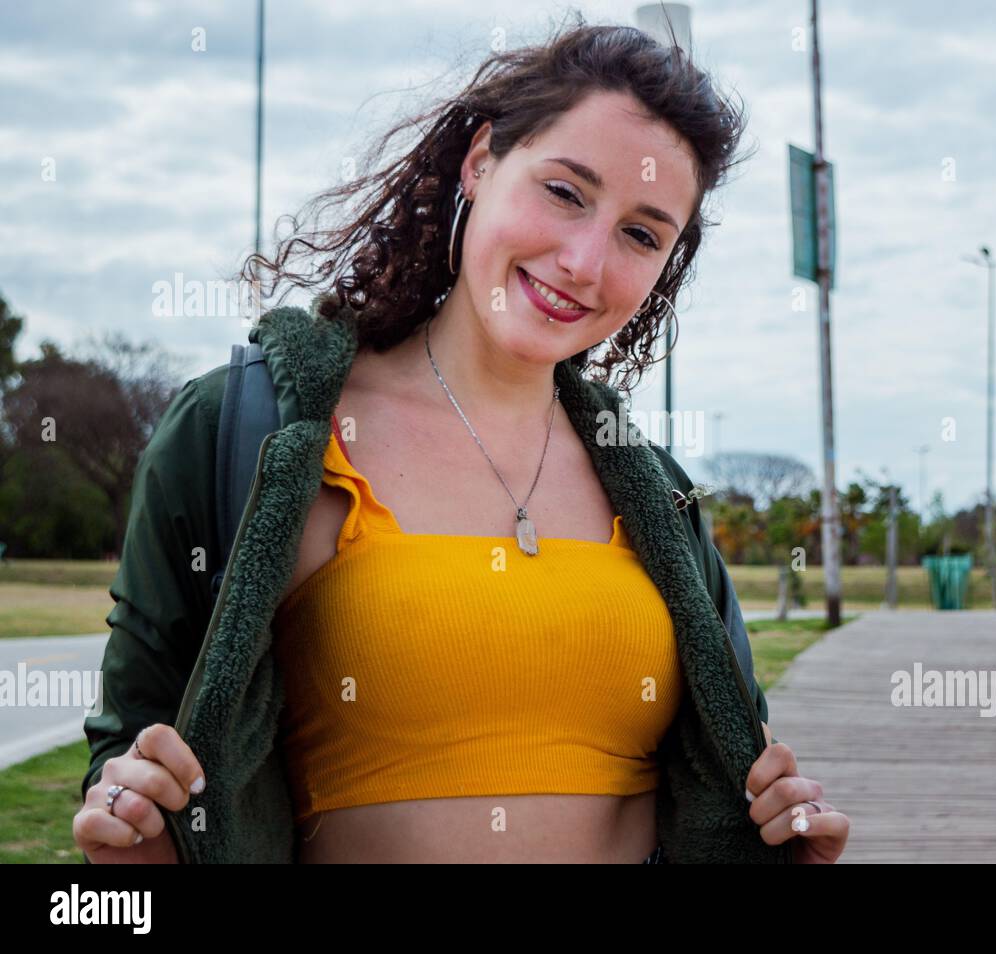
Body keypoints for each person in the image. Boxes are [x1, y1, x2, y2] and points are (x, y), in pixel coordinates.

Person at [74, 18, 848, 864]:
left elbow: (736, 779)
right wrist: (132, 831)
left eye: (641, 233)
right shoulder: (246, 432)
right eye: (564, 191)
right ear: (480, 162)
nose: (584, 262)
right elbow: (130, 766)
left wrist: (780, 837)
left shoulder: (658, 491)